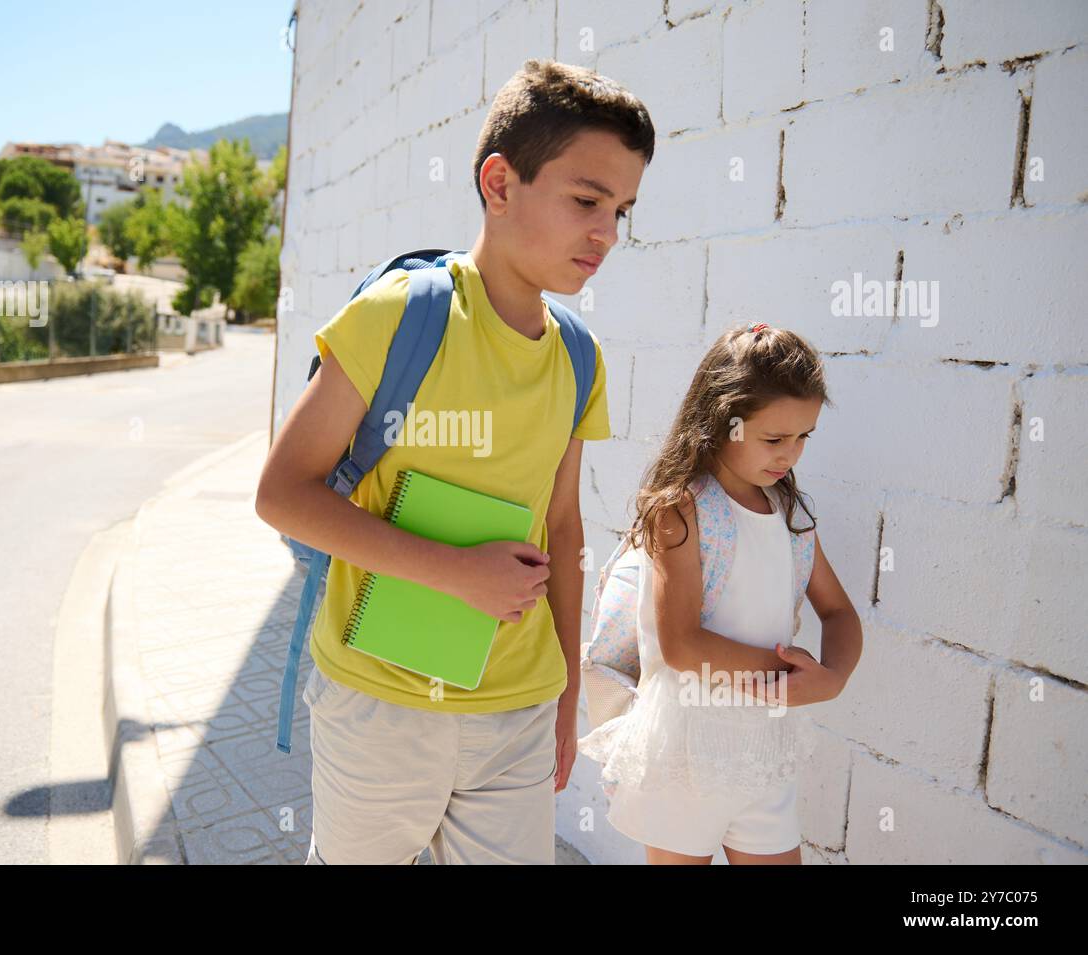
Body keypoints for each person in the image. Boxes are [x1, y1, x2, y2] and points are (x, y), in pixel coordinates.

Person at [255, 58, 654, 864]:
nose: (607, 232)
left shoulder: (581, 356)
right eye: (586, 200)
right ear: (499, 184)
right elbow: (282, 493)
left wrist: (569, 694)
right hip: (380, 701)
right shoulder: (401, 315)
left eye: (622, 209)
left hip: (519, 708)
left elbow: (565, 524)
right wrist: (454, 571)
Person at [577, 323, 864, 865]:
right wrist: (789, 672)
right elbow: (682, 645)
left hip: (761, 755)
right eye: (774, 439)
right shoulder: (681, 509)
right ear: (721, 421)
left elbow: (839, 610)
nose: (791, 455)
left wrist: (833, 676)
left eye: (805, 436)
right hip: (683, 755)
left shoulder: (790, 514)